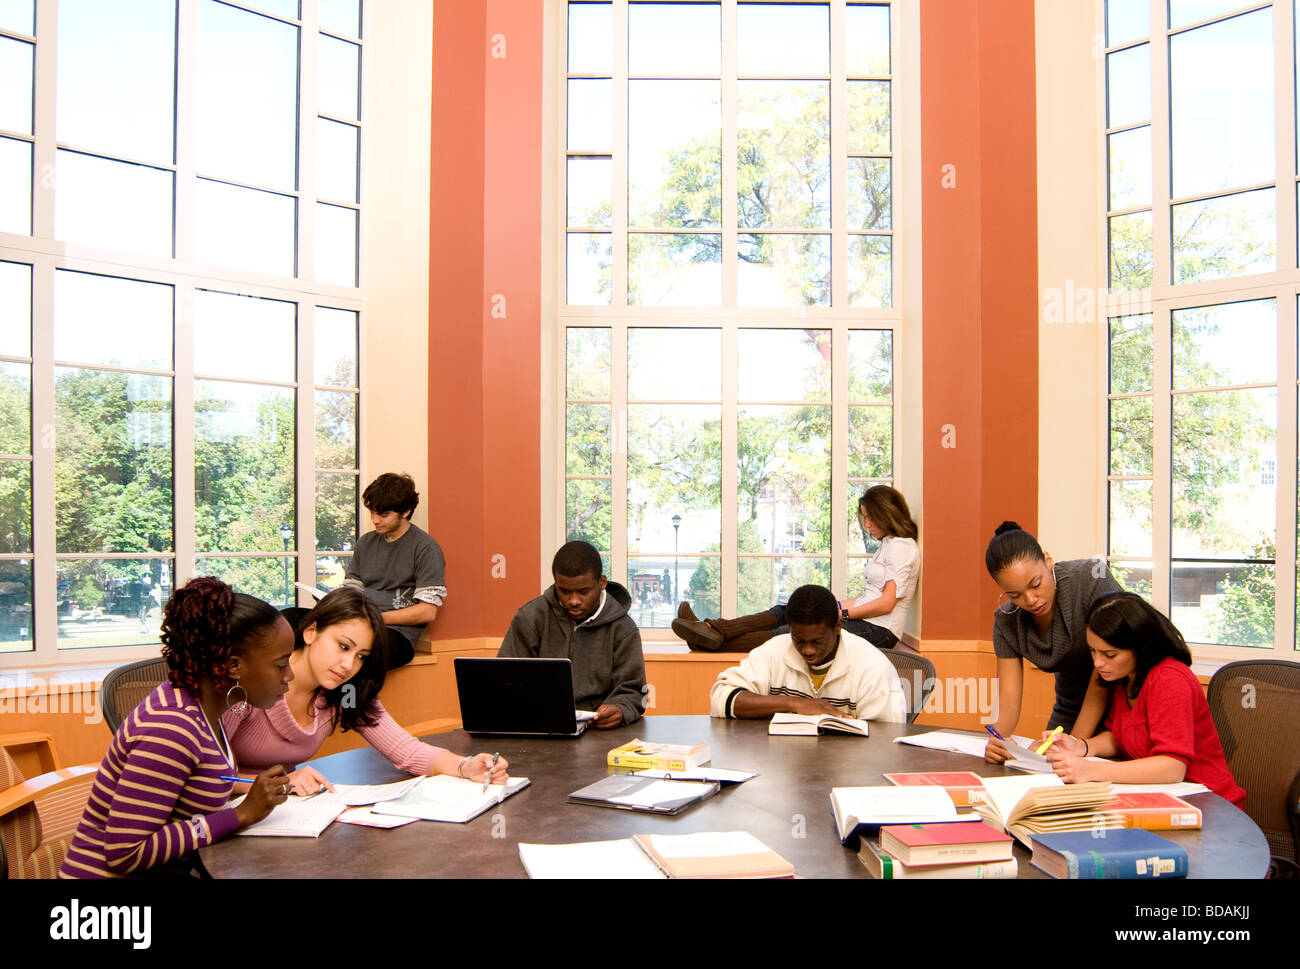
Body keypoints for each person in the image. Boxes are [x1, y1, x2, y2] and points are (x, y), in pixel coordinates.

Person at [59, 578, 295, 878]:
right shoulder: (172, 728)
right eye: (281, 664)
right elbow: (124, 853)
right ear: (233, 666)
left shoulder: (205, 709)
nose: (290, 675)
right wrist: (239, 815)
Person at [223, 586, 507, 790]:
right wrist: (281, 784)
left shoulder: (344, 693)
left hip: (285, 814)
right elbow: (209, 778)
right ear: (311, 632)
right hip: (224, 817)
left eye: (361, 656)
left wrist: (464, 766)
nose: (348, 665)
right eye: (343, 646)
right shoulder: (253, 683)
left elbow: (404, 750)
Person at [1043, 592, 1245, 805]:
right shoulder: (1126, 677)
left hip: (1207, 804)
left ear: (1140, 648)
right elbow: (1120, 736)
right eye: (1093, 651)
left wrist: (1091, 769)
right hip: (1161, 798)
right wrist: (1082, 746)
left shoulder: (1169, 679)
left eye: (1109, 655)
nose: (1097, 663)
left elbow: (1172, 767)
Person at [674, 485, 919, 651]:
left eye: (870, 518)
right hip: (869, 622)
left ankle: (709, 638)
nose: (866, 524)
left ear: (887, 514)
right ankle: (713, 629)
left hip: (880, 632)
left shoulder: (902, 547)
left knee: (787, 631)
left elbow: (886, 603)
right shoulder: (888, 544)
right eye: (864, 517)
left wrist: (839, 615)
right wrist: (832, 607)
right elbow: (869, 596)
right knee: (787, 610)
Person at [983, 521, 1121, 764]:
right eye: (1014, 595)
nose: (1030, 600)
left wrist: (1074, 745)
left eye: (1035, 584)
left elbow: (1102, 676)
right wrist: (999, 740)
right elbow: (1008, 699)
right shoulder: (1006, 621)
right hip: (1069, 711)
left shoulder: (1090, 580)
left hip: (1121, 708)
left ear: (1048, 560)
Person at [497, 540, 646, 728]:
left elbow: (634, 690)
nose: (574, 601)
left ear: (602, 582)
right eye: (565, 591)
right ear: (556, 583)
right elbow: (506, 679)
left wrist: (620, 709)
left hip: (597, 730)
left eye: (583, 591)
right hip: (538, 725)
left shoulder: (623, 628)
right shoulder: (530, 618)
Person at [709, 584, 907, 722]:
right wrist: (794, 704)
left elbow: (886, 738)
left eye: (817, 641)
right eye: (799, 640)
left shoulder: (872, 666)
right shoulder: (774, 650)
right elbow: (721, 698)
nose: (807, 650)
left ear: (837, 626)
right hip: (782, 766)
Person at [344, 472, 447, 669]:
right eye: (372, 513)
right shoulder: (365, 543)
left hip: (397, 634)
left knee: (358, 651)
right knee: (292, 618)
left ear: (406, 511)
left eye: (383, 515)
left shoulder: (425, 548)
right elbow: (352, 590)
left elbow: (427, 612)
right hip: (359, 623)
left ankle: (353, 701)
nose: (374, 520)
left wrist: (374, 618)